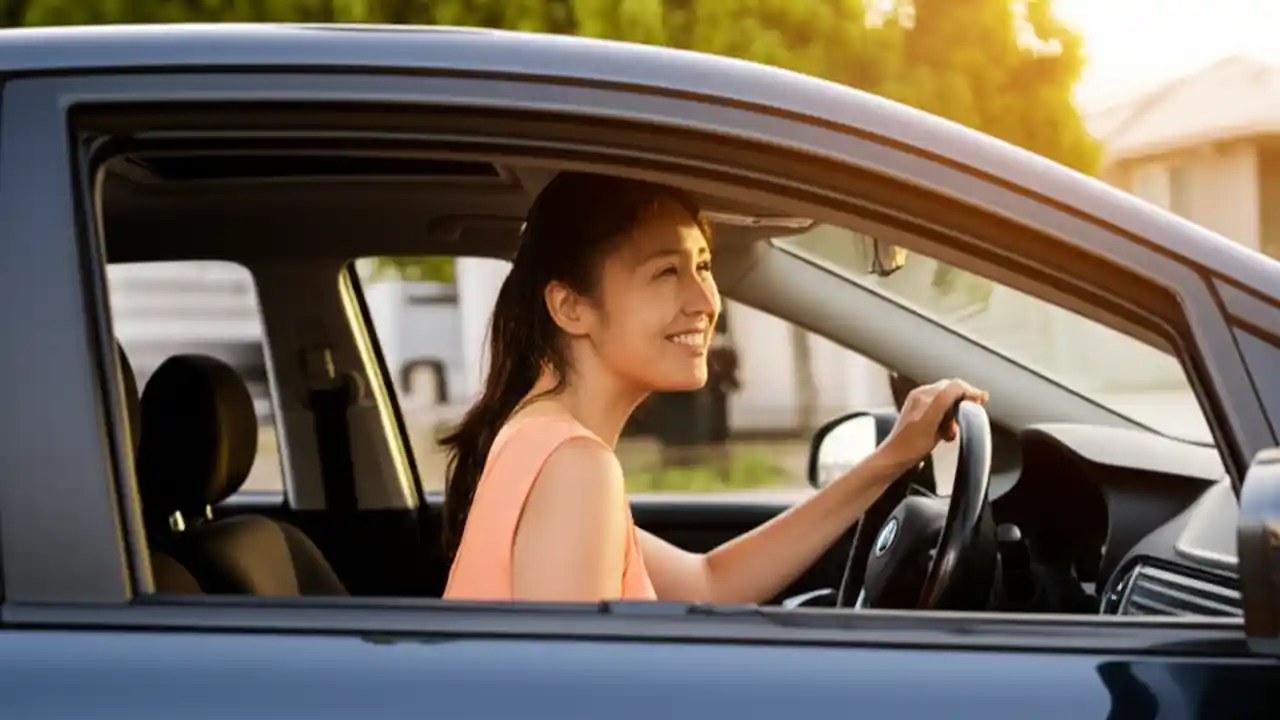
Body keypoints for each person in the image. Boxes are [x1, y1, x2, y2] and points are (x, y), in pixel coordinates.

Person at [441, 172, 987, 604]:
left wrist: (890, 459)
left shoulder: (543, 441)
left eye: (702, 265)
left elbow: (707, 583)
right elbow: (567, 698)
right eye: (666, 272)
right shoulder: (573, 465)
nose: (706, 301)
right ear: (570, 307)